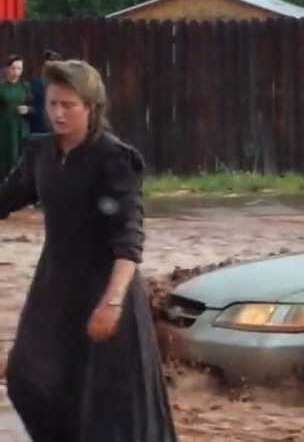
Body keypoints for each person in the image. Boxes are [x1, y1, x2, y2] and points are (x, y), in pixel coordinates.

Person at [0, 60, 177, 441]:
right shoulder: (40, 152)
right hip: (55, 286)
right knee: (26, 380)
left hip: (105, 287)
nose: (58, 113)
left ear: (91, 107)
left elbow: (129, 241)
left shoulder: (114, 158)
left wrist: (111, 303)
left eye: (69, 105)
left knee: (107, 403)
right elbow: (6, 198)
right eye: (52, 104)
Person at [0, 54, 31, 176]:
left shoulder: (25, 86)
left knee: (19, 155)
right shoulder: (1, 87)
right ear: (7, 68)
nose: (16, 71)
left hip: (20, 126)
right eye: (13, 68)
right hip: (4, 127)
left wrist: (27, 109)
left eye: (19, 68)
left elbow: (34, 107)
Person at [25, 50, 62, 137]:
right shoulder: (34, 84)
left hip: (58, 130)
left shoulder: (64, 87)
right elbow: (28, 104)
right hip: (38, 129)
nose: (49, 70)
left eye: (53, 67)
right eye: (46, 66)